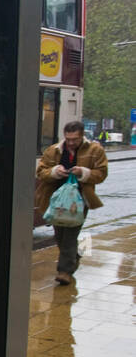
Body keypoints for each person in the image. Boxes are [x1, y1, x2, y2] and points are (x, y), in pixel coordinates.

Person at [36, 119, 108, 285]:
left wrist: (83, 172)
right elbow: (41, 172)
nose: (71, 142)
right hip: (55, 200)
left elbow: (101, 174)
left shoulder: (95, 150)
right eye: (68, 139)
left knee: (70, 234)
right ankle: (74, 256)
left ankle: (64, 271)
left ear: (82, 136)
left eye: (74, 139)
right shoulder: (53, 151)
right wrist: (55, 172)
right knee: (60, 235)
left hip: (79, 200)